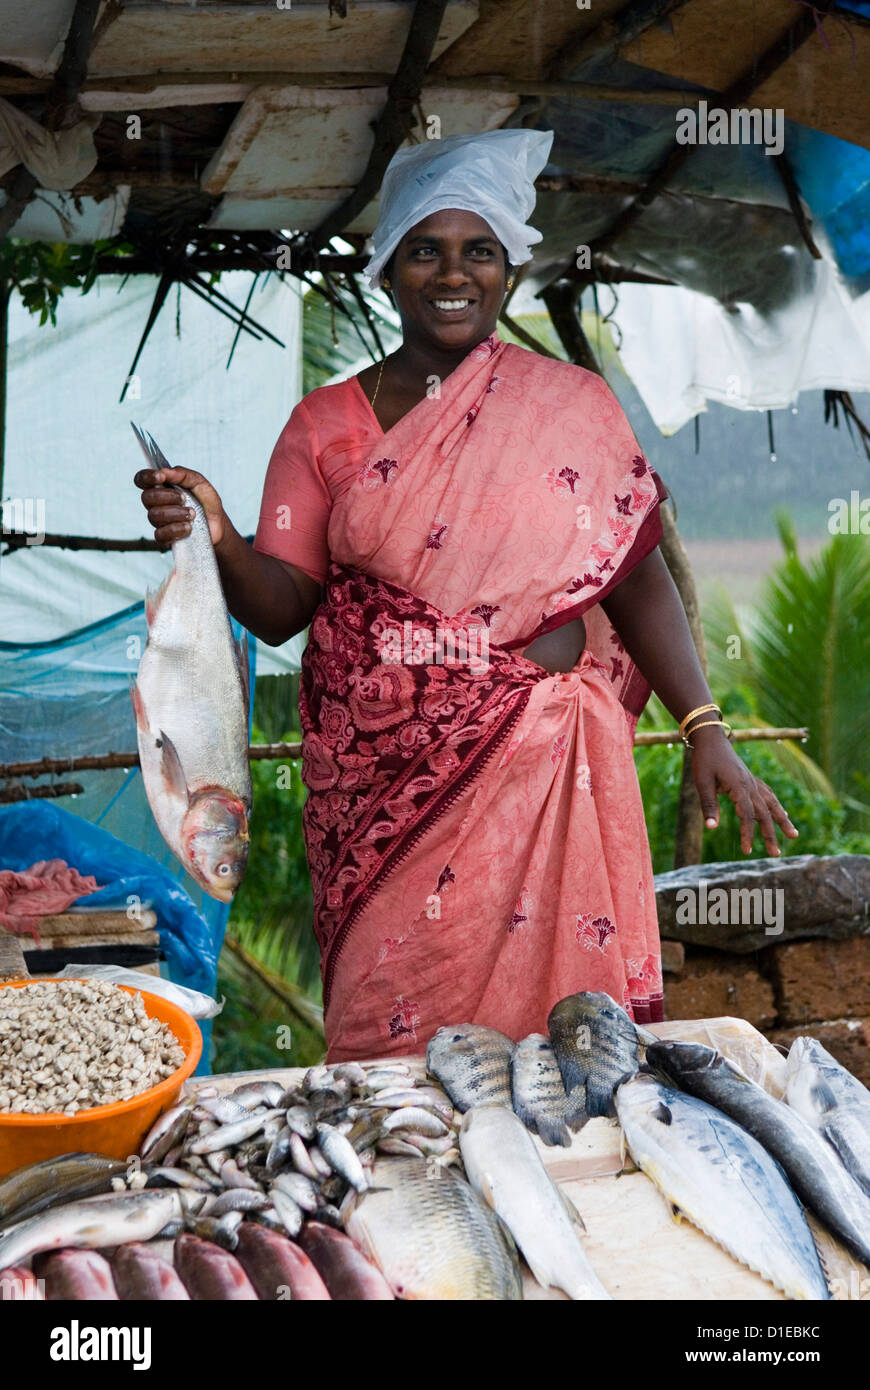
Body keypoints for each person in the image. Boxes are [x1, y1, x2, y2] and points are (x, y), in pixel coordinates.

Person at [135, 128, 798, 1062]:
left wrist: (706, 729)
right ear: (390, 270)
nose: (455, 273)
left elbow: (637, 572)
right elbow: (283, 604)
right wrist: (216, 538)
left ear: (508, 270)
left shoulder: (571, 407)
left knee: (562, 1068)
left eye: (478, 250)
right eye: (426, 250)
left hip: (548, 777)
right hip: (384, 800)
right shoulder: (324, 424)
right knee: (392, 1047)